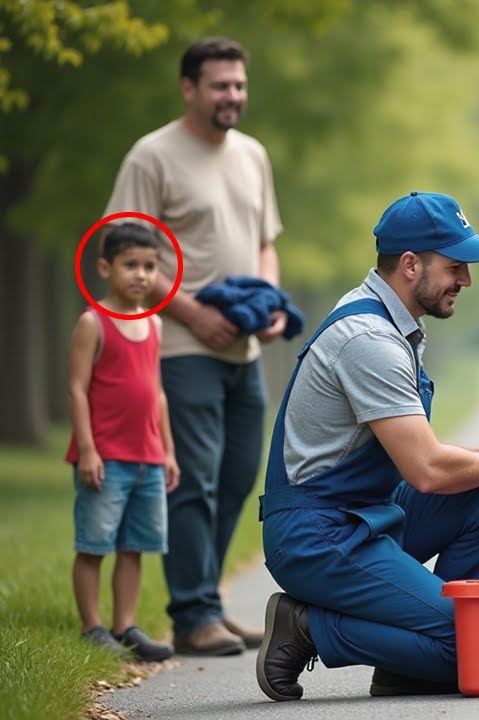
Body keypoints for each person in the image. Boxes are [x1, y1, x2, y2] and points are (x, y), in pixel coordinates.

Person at [255, 191, 479, 702]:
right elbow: (426, 470)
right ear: (409, 265)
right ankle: (308, 625)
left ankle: (415, 664)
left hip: (362, 515)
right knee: (473, 643)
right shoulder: (370, 341)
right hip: (317, 535)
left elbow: (418, 451)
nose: (465, 280)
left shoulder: (391, 323)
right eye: (456, 266)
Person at [103, 36, 285, 656]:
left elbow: (266, 242)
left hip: (244, 350)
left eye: (238, 84)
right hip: (181, 345)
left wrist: (269, 303)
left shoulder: (253, 155)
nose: (232, 95)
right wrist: (194, 312)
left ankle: (204, 598)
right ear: (188, 88)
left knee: (236, 476)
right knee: (194, 479)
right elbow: (123, 250)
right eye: (219, 85)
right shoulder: (151, 157)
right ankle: (193, 614)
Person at [66, 224, 180, 662]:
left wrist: (167, 450)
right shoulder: (92, 322)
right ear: (104, 268)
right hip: (106, 457)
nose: (141, 275)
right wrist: (88, 449)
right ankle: (92, 625)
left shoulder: (152, 323)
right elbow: (77, 388)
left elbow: (157, 392)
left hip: (148, 457)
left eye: (150, 267)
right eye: (131, 265)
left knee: (135, 545)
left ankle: (124, 625)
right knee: (95, 543)